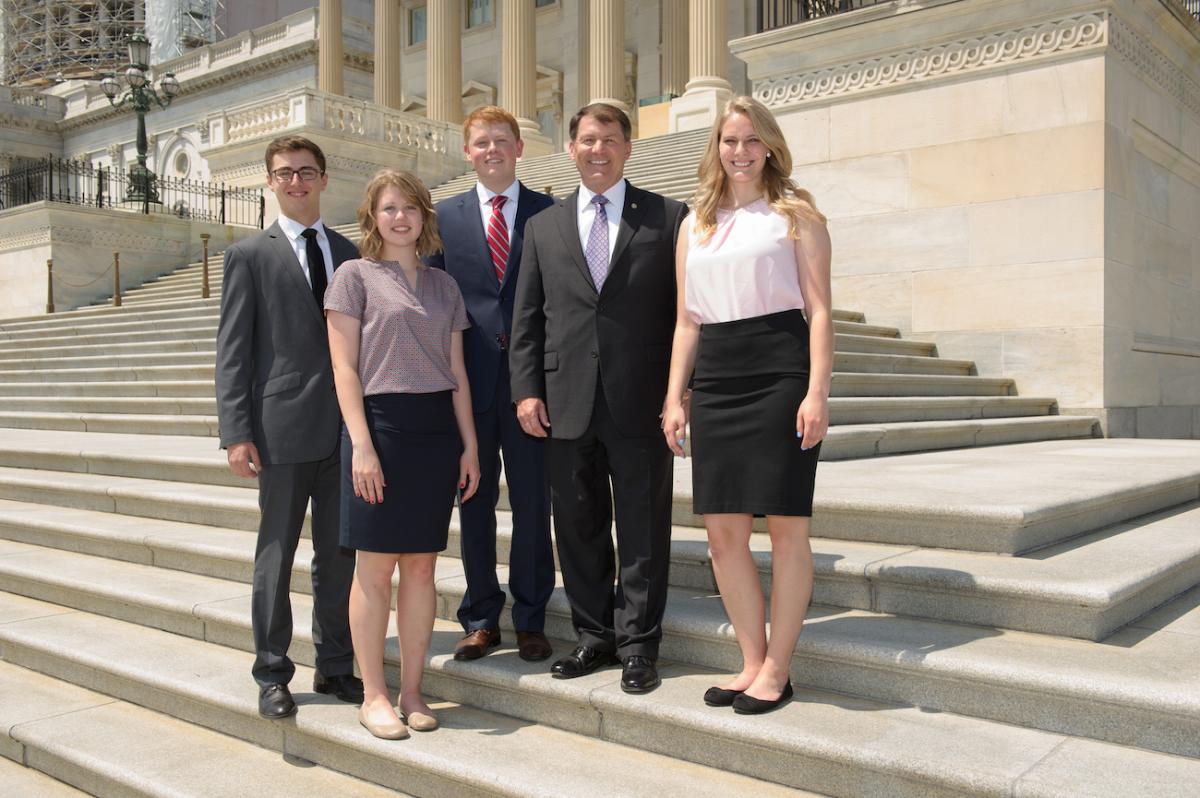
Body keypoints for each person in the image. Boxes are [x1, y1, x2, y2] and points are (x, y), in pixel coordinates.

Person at [661, 96, 833, 715]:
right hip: (719, 377)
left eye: (751, 140)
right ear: (717, 147)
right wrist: (674, 396)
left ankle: (779, 669)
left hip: (779, 370)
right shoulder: (694, 224)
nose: (740, 152)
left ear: (770, 147)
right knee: (723, 536)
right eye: (730, 140)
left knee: (787, 529)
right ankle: (751, 660)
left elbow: (818, 310)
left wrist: (817, 391)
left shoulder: (796, 215)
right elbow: (685, 320)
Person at [509, 103, 687, 694]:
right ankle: (593, 637)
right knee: (578, 525)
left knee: (642, 526)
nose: (598, 150)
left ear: (628, 148)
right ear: (571, 148)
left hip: (641, 400)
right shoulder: (542, 227)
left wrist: (677, 394)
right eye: (588, 139)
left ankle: (639, 645)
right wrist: (526, 390)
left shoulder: (668, 217)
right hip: (565, 401)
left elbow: (685, 315)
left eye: (610, 139)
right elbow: (527, 317)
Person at [325, 169, 480, 740]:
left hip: (436, 435)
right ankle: (373, 695)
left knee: (421, 568)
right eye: (389, 207)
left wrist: (470, 446)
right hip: (380, 430)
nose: (400, 217)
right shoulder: (353, 277)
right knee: (375, 570)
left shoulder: (445, 287)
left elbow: (458, 373)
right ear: (373, 217)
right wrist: (361, 444)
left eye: (410, 207)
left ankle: (413, 690)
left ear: (424, 217)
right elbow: (343, 367)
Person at [215, 135, 364, 719]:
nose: (296, 182)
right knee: (275, 555)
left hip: (345, 433)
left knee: (339, 554)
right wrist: (236, 431)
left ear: (325, 180)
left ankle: (335, 665)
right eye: (284, 174)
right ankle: (272, 671)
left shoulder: (353, 253)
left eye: (306, 172)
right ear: (270, 182)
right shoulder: (250, 255)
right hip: (279, 430)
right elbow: (232, 351)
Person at [428, 106, 556, 663]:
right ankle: (481, 616)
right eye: (481, 142)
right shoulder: (443, 217)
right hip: (466, 387)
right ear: (467, 152)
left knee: (532, 505)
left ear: (519, 148)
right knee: (473, 503)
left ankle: (530, 617)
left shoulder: (550, 214)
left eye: (501, 141)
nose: (491, 150)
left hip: (531, 387)